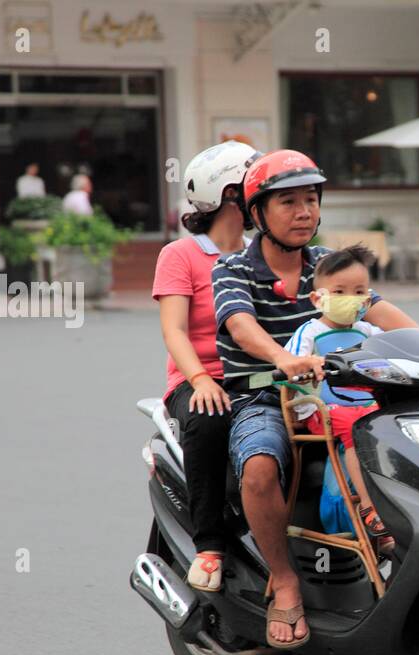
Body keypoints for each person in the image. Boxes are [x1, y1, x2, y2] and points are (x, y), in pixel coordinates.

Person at [210, 149, 419, 649]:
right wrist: (283, 357)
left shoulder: (329, 265)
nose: (304, 212)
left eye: (311, 200)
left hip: (345, 397)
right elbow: (240, 325)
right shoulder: (232, 268)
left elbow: (384, 314)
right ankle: (286, 582)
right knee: (259, 468)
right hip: (267, 396)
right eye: (288, 202)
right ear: (257, 214)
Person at [152, 141, 261, 592]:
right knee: (210, 417)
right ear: (231, 194)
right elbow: (175, 329)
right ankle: (210, 546)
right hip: (201, 381)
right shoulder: (181, 255)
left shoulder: (263, 252)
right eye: (259, 186)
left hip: (260, 377)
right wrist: (199, 379)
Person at [285, 244, 397, 555]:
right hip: (321, 408)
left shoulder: (367, 331)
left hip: (361, 405)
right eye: (340, 291)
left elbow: (395, 350)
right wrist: (307, 369)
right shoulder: (309, 333)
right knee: (355, 427)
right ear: (317, 298)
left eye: (359, 291)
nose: (351, 298)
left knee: (396, 423)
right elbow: (288, 368)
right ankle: (369, 507)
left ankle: (399, 506)